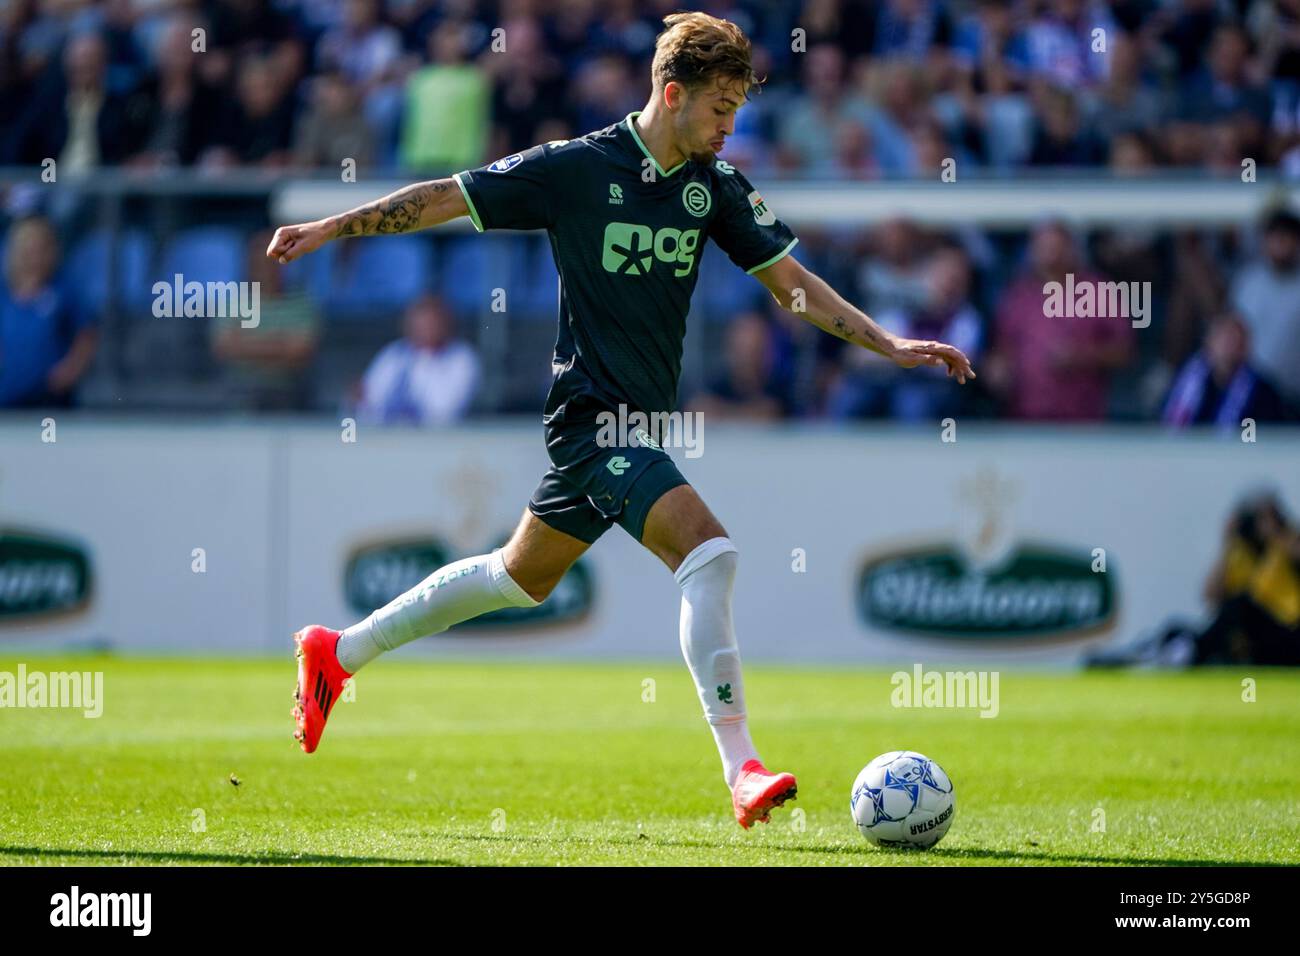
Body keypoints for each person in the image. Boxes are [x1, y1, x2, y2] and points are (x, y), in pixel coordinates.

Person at [266, 12, 975, 830]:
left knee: (517, 578)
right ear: (672, 95)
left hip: (639, 426)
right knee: (709, 554)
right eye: (719, 109)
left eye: (737, 111)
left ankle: (337, 652)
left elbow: (792, 285)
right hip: (591, 421)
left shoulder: (715, 188)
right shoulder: (576, 169)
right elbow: (446, 198)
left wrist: (888, 343)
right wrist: (331, 226)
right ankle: (742, 767)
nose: (729, 125)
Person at [0, 216, 97, 408]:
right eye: (26, 250)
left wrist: (68, 372)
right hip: (8, 393)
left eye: (38, 249)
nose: (32, 256)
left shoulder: (64, 289)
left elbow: (86, 336)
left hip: (50, 397)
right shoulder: (4, 292)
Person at [356, 293, 479, 425]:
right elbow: (370, 401)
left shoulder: (462, 358)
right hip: (387, 437)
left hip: (438, 440)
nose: (426, 328)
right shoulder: (394, 353)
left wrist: (424, 360)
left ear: (445, 323)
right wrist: (360, 399)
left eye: (432, 322)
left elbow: (444, 412)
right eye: (420, 322)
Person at [1161, 312, 1290, 429]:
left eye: (1235, 341)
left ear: (1245, 347)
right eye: (1223, 339)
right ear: (1209, 343)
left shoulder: (1263, 394)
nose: (1228, 347)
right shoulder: (1184, 382)